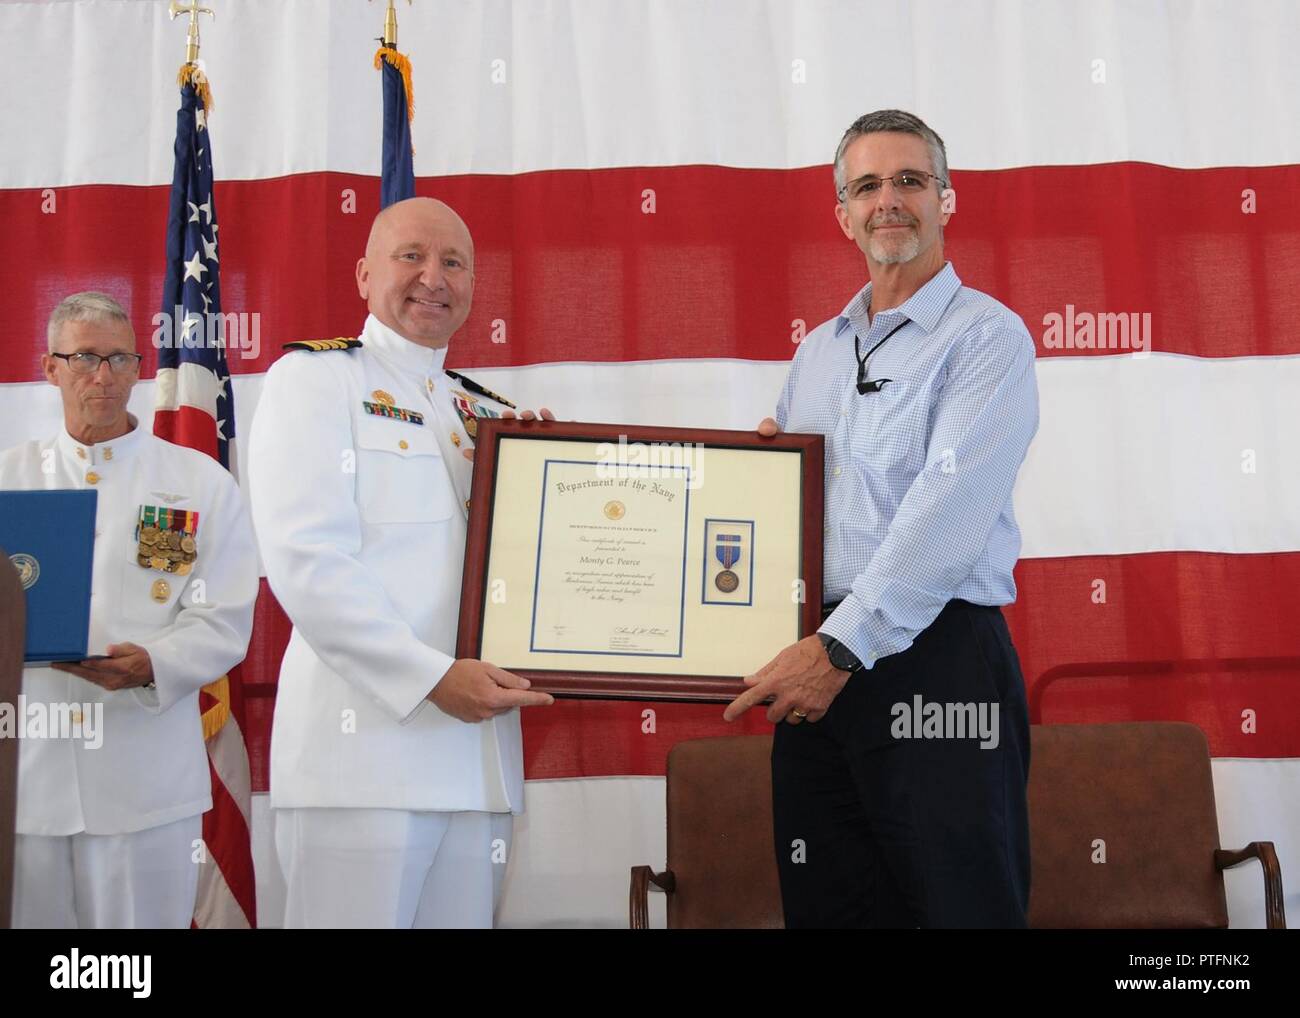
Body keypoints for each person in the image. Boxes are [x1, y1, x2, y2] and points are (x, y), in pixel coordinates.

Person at [724, 110, 1040, 928]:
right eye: (867, 185)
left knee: (961, 907)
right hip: (816, 667)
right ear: (843, 214)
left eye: (909, 181)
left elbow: (946, 514)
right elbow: (788, 508)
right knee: (830, 906)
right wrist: (757, 479)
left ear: (946, 199)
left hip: (935, 659)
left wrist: (838, 647)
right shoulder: (819, 352)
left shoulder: (987, 339)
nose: (888, 200)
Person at [248, 196, 554, 929]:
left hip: (475, 766)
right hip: (363, 764)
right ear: (363, 275)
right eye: (411, 256)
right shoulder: (315, 381)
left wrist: (550, 479)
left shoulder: (484, 412)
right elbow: (307, 560)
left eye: (454, 262)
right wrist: (430, 678)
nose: (433, 277)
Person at [0, 291, 258, 928]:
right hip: (28, 781)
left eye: (121, 359)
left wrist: (156, 664)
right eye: (85, 358)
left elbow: (225, 615)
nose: (104, 376)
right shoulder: (9, 481)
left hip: (147, 782)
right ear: (50, 367)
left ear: (141, 369)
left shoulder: (199, 483)